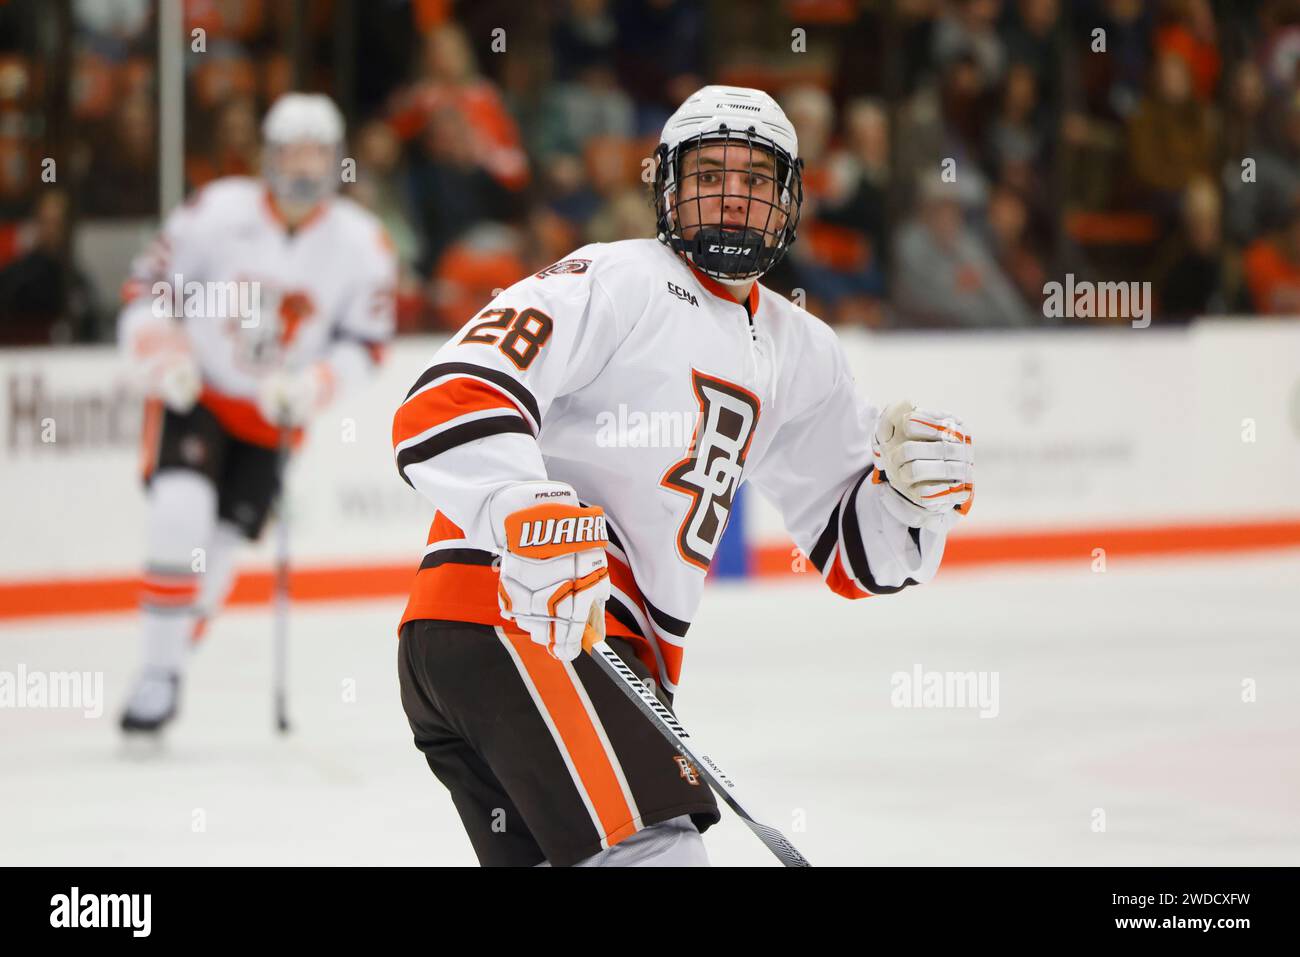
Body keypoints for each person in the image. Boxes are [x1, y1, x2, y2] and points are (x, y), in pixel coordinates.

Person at [392, 85, 974, 867]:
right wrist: (518, 507)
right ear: (668, 188)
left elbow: (854, 551)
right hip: (522, 617)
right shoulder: (614, 279)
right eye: (710, 176)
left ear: (790, 196)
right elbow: (449, 394)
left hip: (576, 650)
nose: (733, 199)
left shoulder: (802, 350)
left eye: (756, 181)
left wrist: (907, 499)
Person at [117, 93, 397, 733]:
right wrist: (164, 356)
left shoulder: (360, 243)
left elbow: (367, 342)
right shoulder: (216, 212)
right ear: (268, 155)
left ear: (336, 158)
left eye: (316, 152)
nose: (303, 166)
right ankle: (155, 677)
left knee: (214, 557)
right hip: (201, 395)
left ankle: (170, 663)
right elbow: (147, 289)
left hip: (273, 418)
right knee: (178, 513)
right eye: (292, 150)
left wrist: (316, 384)